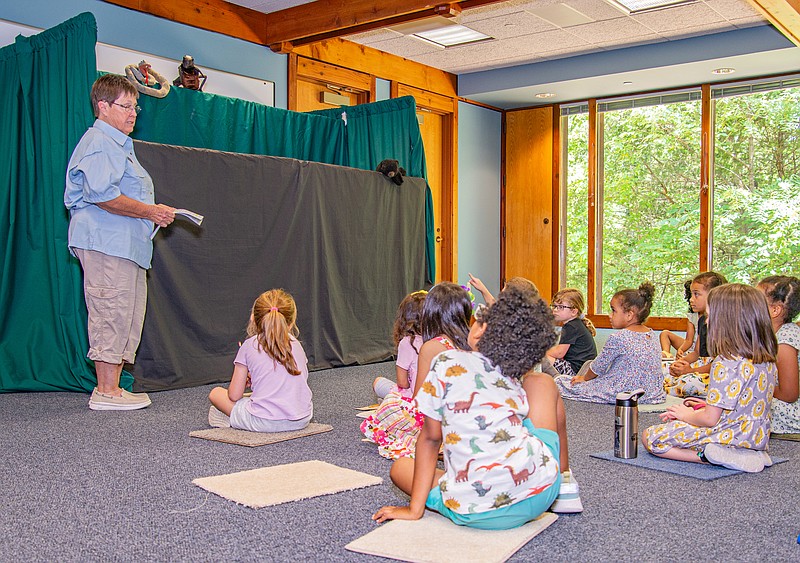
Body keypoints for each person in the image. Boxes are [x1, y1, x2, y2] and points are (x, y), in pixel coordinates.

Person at [372, 287, 571, 530]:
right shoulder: (514, 373)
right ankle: (564, 480)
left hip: (469, 510)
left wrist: (415, 510)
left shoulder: (445, 362)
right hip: (538, 496)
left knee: (401, 467)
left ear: (480, 327)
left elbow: (431, 439)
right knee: (544, 384)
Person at [65, 74, 176, 411]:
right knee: (110, 308)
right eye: (126, 106)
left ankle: (112, 386)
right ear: (103, 107)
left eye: (135, 107)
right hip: (105, 240)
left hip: (122, 243)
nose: (133, 113)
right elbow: (103, 196)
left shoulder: (117, 145)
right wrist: (151, 211)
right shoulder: (100, 141)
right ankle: (105, 391)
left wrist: (149, 213)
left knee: (124, 310)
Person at [642, 283, 778, 473]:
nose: (706, 322)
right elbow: (741, 405)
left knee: (651, 437)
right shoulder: (765, 360)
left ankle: (706, 456)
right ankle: (744, 453)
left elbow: (709, 419)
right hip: (756, 436)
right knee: (683, 422)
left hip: (728, 433)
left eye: (710, 316)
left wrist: (686, 415)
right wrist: (700, 406)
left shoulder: (725, 362)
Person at [361, 282, 472, 459]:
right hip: (466, 416)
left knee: (390, 402)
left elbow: (420, 398)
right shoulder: (473, 343)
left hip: (438, 418)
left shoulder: (431, 346)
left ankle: (433, 443)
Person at [207, 289, 313, 431]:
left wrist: (244, 383)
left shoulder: (249, 345)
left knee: (216, 393)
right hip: (302, 419)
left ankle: (231, 418)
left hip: (263, 422)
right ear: (291, 321)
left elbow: (233, 395)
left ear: (253, 318)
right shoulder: (296, 344)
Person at [555, 282, 664, 405]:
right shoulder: (651, 334)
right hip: (651, 392)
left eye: (613, 311)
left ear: (629, 315)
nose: (610, 315)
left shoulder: (618, 337)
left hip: (623, 391)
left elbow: (597, 367)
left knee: (562, 383)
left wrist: (584, 378)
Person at [664, 271, 728, 397]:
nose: (691, 299)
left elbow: (721, 364)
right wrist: (679, 363)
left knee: (688, 382)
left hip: (713, 372)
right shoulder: (702, 320)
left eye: (696, 294)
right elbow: (696, 353)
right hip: (699, 365)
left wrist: (690, 370)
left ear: (714, 295)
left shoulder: (726, 325)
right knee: (663, 367)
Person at [757, 276, 800, 434]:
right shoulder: (769, 334)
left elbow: (789, 395)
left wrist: (756, 384)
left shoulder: (786, 341)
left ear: (775, 310)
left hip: (788, 410)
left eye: (756, 300)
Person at [371, 290, 427, 400]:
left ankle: (393, 404)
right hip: (437, 400)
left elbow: (402, 383)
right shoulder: (439, 339)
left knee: (378, 382)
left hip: (416, 401)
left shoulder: (407, 343)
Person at [546, 288, 598, 377]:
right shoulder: (576, 324)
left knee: (542, 359)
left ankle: (559, 382)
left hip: (575, 371)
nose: (555, 310)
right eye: (554, 306)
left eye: (561, 307)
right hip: (581, 370)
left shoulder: (571, 326)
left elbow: (559, 353)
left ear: (574, 311)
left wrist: (542, 352)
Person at [659, 279, 697, 359]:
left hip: (700, 351)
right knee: (665, 333)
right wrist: (681, 349)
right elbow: (688, 340)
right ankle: (666, 354)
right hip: (691, 347)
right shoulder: (692, 316)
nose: (691, 300)